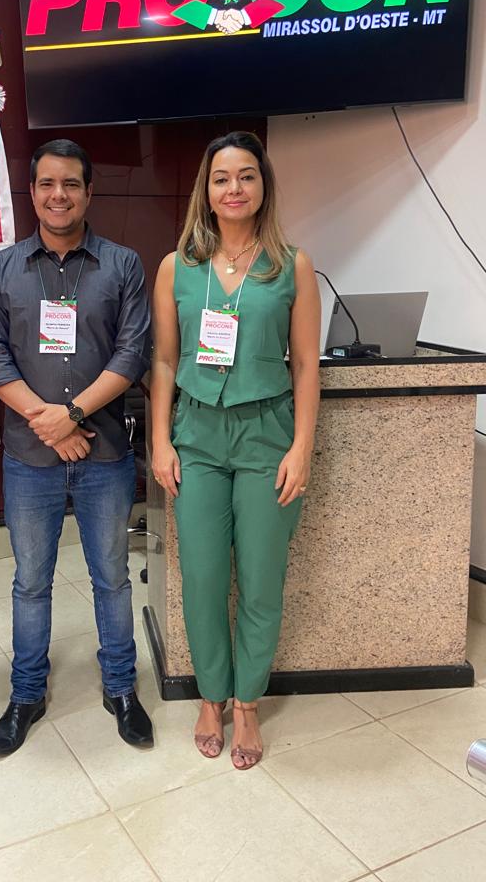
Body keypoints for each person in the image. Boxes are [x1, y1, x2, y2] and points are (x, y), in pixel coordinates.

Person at [0, 138, 153, 756]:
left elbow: (131, 354)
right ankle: (26, 694)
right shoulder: (2, 269)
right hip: (30, 457)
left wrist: (73, 413)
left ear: (88, 192)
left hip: (105, 454)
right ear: (32, 193)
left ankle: (121, 689)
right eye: (47, 184)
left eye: (71, 184)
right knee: (31, 582)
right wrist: (48, 423)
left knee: (112, 577)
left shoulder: (123, 264)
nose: (59, 195)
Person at [150, 131, 320, 768]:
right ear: (207, 189)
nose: (234, 189)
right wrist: (161, 440)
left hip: (266, 435)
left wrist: (302, 446)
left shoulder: (291, 265)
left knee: (261, 578)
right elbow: (165, 361)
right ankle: (210, 695)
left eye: (246, 176)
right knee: (201, 576)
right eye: (222, 178)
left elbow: (306, 365)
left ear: (263, 186)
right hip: (196, 438)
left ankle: (247, 702)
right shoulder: (178, 267)